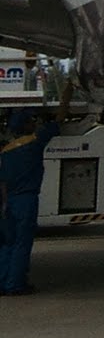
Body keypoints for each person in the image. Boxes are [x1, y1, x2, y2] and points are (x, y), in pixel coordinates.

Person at [0, 81, 74, 296]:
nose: (34, 122)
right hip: (26, 200)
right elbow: (59, 120)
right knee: (22, 243)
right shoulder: (34, 143)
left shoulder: (6, 151)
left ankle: (3, 281)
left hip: (8, 202)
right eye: (32, 120)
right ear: (26, 125)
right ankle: (15, 284)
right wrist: (67, 94)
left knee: (7, 243)